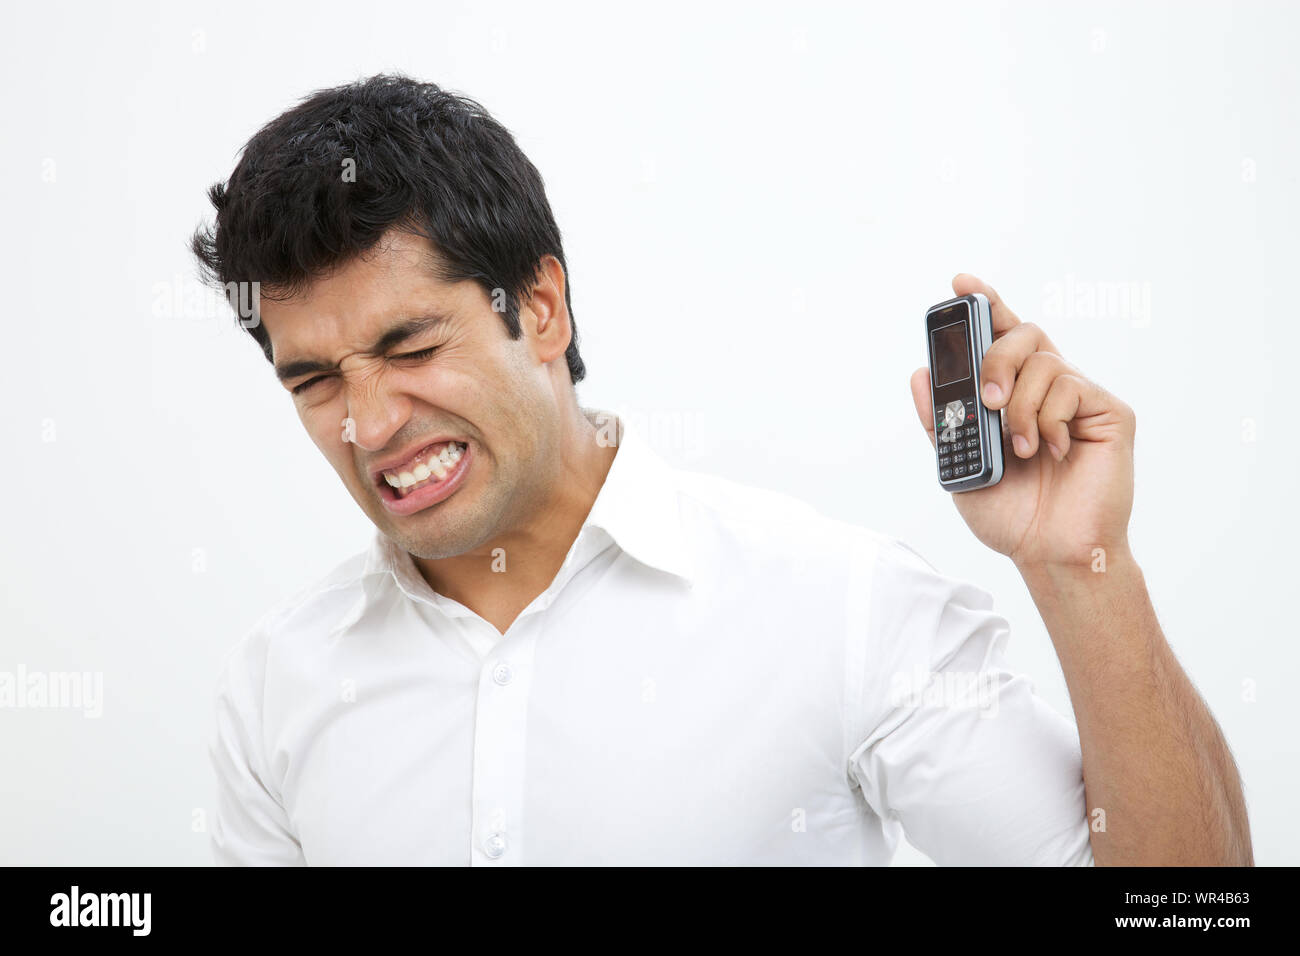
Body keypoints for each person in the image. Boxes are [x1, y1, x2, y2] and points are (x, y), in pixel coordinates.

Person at [193, 74, 1251, 866]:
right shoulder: (278, 684)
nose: (369, 422)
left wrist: (1083, 564)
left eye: (413, 347)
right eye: (316, 380)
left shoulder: (834, 605)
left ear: (543, 307)